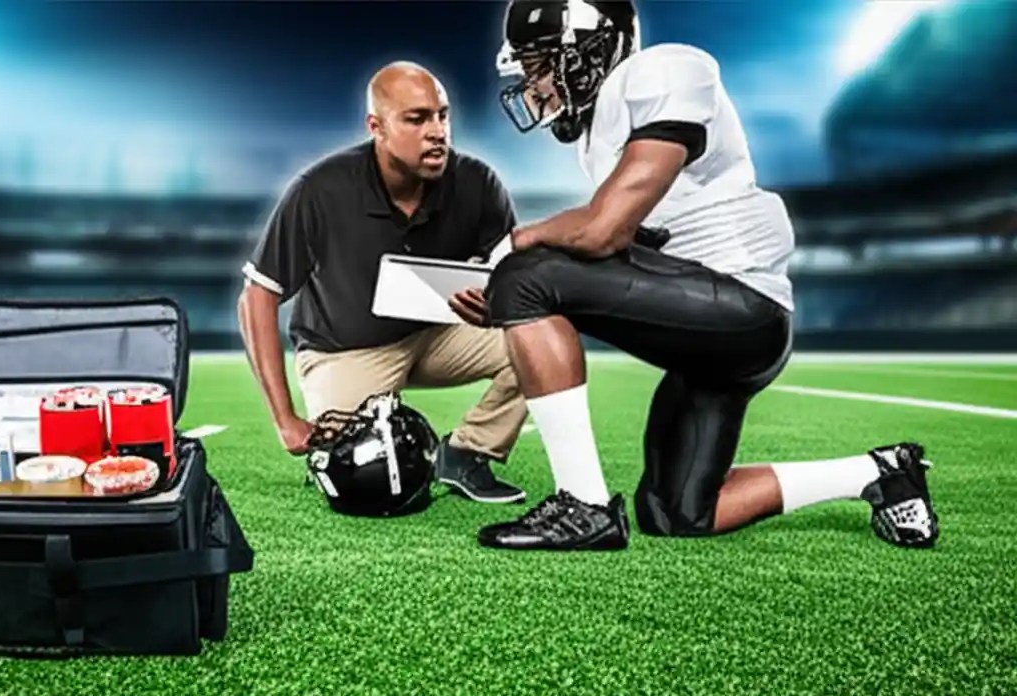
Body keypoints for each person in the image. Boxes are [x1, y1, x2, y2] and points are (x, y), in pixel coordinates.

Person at [456, 0, 940, 549]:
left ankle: (583, 506)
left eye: (543, 64)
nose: (535, 85)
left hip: (741, 305)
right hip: (708, 323)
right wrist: (503, 295)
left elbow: (603, 232)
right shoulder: (602, 134)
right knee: (679, 512)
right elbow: (624, 246)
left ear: (591, 51)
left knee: (527, 275)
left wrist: (513, 249)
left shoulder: (662, 69)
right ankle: (881, 474)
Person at [237, 60, 530, 504]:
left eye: (442, 115)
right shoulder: (320, 190)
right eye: (416, 118)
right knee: (361, 473)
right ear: (377, 127)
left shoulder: (477, 182)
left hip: (437, 336)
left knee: (542, 334)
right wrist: (285, 417)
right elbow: (258, 296)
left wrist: (497, 301)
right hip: (346, 350)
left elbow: (513, 277)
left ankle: (467, 452)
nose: (437, 131)